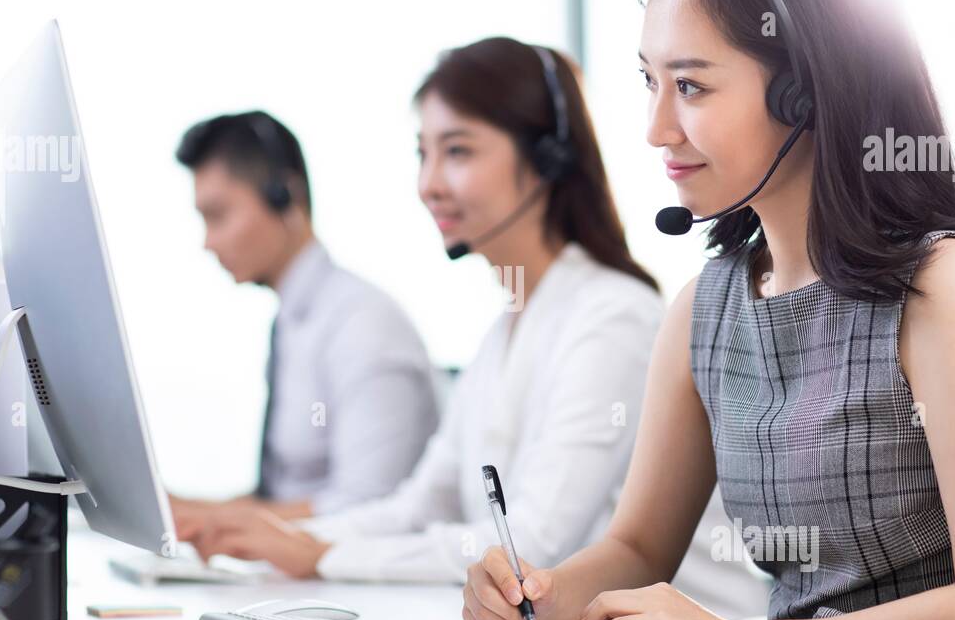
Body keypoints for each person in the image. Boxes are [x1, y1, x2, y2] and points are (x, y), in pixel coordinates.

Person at [462, 0, 955, 620]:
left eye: (693, 88)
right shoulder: (705, 310)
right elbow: (638, 548)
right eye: (649, 82)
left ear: (804, 92)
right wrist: (537, 591)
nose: (656, 127)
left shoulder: (945, 284)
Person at [188, 38, 666, 585]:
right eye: (424, 154)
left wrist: (321, 557)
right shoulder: (503, 333)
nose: (429, 184)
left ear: (546, 160)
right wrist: (284, 540)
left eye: (457, 151)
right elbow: (418, 508)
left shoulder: (612, 318)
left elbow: (533, 544)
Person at [168, 110, 438, 529]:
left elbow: (366, 505)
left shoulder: (363, 324)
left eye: (218, 215)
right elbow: (285, 495)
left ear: (284, 197)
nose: (208, 242)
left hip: (353, 586)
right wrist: (185, 513)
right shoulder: (292, 323)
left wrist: (212, 521)